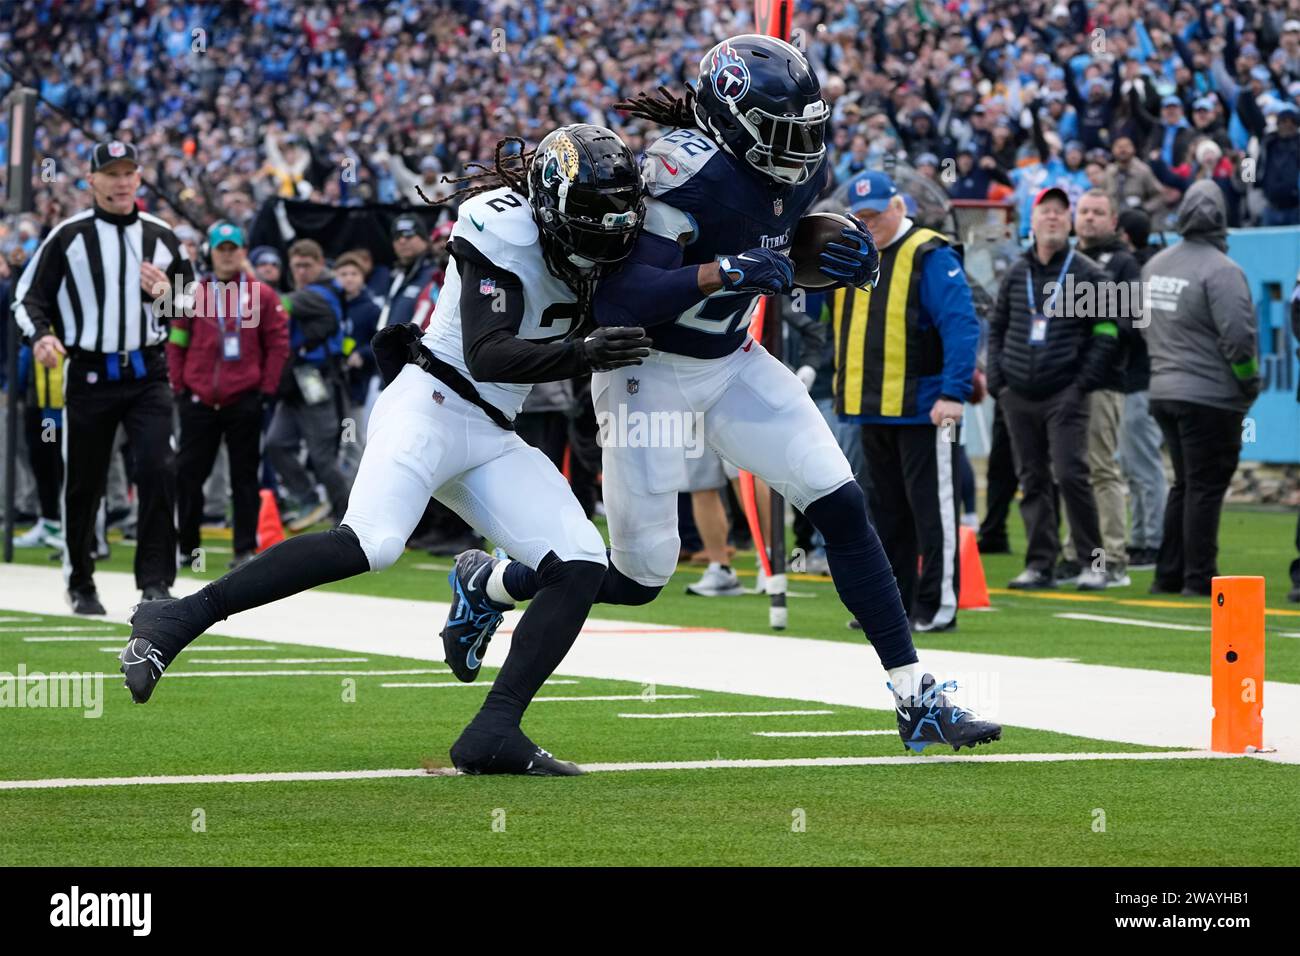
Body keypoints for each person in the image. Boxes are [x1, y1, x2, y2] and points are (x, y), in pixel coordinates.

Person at [448, 36, 1001, 753]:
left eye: (807, 126)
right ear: (731, 117)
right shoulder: (681, 175)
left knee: (841, 501)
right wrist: (726, 272)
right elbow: (623, 300)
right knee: (639, 573)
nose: (801, 144)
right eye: (782, 129)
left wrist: (821, 258)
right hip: (648, 372)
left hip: (734, 361)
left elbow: (775, 246)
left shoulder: (799, 166)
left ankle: (913, 697)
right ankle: (489, 584)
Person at [119, 124, 651, 776]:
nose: (605, 231)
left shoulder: (616, 234)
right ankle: (174, 617)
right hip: (430, 404)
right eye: (589, 216)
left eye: (613, 216)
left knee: (580, 561)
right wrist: (583, 353)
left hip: (492, 434)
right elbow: (488, 352)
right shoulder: (499, 226)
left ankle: (494, 731)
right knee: (372, 542)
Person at [12, 140, 194, 614]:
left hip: (147, 372)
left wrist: (164, 296)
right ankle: (81, 581)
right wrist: (42, 338)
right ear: (91, 180)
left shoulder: (162, 235)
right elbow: (27, 297)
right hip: (90, 374)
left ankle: (155, 583)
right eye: (110, 174)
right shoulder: (68, 236)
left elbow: (190, 304)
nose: (120, 182)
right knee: (84, 482)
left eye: (127, 172)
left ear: (138, 178)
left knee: (158, 466)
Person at [833, 172, 979, 632]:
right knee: (885, 512)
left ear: (898, 206)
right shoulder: (853, 253)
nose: (868, 222)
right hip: (870, 404)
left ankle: (938, 604)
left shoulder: (929, 254)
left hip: (924, 407)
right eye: (860, 216)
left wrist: (953, 393)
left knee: (932, 510)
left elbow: (961, 323)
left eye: (875, 214)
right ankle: (893, 604)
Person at [987, 186, 1119, 591]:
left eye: (1061, 212)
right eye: (1046, 211)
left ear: (1070, 222)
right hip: (1018, 394)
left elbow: (1108, 333)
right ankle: (1040, 564)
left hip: (1065, 393)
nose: (1053, 218)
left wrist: (1081, 385)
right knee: (1033, 480)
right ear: (1033, 220)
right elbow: (997, 328)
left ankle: (1093, 561)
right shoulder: (1016, 273)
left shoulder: (1087, 272)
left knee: (1071, 474)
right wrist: (999, 383)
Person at [1141, 181, 1260, 596]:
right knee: (1206, 485)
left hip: (1164, 389)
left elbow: (1144, 326)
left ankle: (1168, 573)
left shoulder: (1155, 265)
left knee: (1185, 483)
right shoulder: (1223, 270)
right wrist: (1249, 382)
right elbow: (1239, 338)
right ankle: (1199, 576)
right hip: (1210, 395)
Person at [168, 221, 289, 570]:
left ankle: (244, 550)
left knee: (244, 477)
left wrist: (264, 389)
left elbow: (278, 344)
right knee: (189, 475)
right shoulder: (191, 293)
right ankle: (187, 548)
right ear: (211, 252)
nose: (227, 255)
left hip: (243, 398)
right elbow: (176, 341)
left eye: (233, 248)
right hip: (198, 398)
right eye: (221, 249)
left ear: (242, 252)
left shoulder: (262, 294)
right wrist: (179, 385)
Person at [1056, 189, 1139, 587]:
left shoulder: (1123, 263)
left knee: (1101, 468)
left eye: (1097, 212)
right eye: (1084, 211)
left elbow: (1127, 323)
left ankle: (1113, 559)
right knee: (1071, 469)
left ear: (1113, 220)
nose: (1089, 218)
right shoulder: (1065, 260)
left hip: (1103, 381)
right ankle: (1078, 552)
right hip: (1063, 383)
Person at [268, 238, 351, 529]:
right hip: (296, 380)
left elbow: (275, 305)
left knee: (321, 455)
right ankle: (309, 500)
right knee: (276, 443)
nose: (301, 271)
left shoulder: (320, 293)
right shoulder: (311, 292)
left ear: (319, 264)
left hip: (316, 379)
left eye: (306, 265)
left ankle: (350, 518)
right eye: (296, 266)